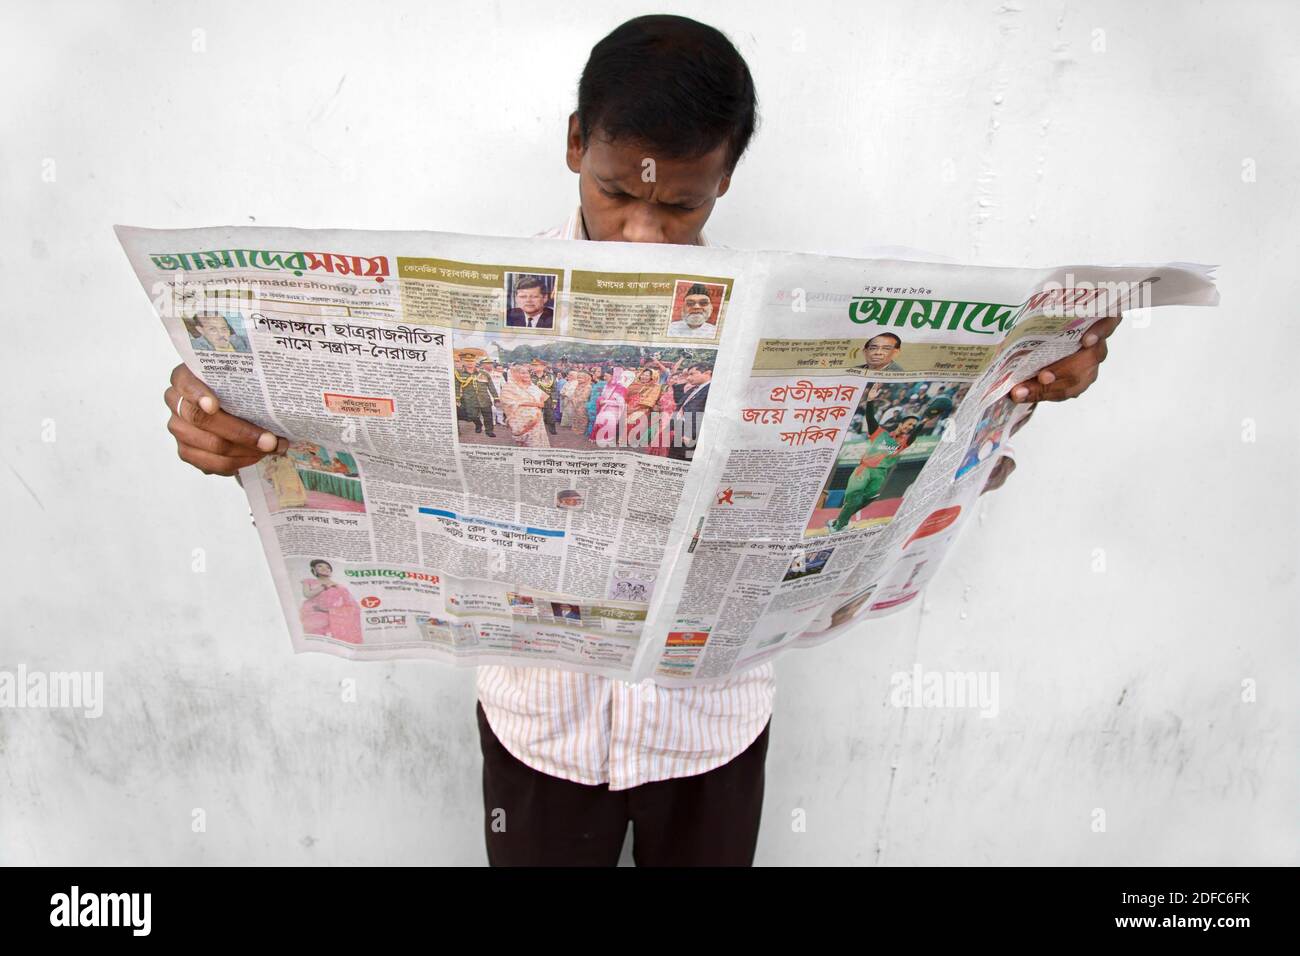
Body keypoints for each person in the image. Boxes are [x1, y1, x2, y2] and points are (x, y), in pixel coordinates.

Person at [160, 14, 1120, 867]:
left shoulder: (771, 329)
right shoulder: (456, 311)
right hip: (538, 728)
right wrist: (229, 422)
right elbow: (335, 436)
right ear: (576, 144)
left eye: (681, 206)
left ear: (726, 180)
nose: (645, 237)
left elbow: (914, 484)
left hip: (712, 730)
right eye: (620, 192)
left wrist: (1021, 390)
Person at [827, 383, 918, 532]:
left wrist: (924, 423)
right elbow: (869, 417)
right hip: (865, 470)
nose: (909, 427)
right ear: (901, 423)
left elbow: (913, 436)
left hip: (880, 474)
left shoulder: (902, 443)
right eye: (908, 424)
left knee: (868, 499)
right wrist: (870, 401)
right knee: (854, 496)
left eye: (912, 427)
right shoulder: (880, 433)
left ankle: (839, 522)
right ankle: (838, 526)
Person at [299, 559, 363, 644]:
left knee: (335, 641)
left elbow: (353, 607)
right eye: (320, 566)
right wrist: (324, 587)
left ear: (330, 571)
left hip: (334, 616)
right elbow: (307, 594)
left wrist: (330, 611)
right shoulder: (309, 581)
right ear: (314, 570)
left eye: (327, 567)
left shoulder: (340, 587)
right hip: (313, 615)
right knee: (316, 640)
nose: (324, 568)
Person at [667, 362, 712, 461]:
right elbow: (680, 404)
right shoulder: (695, 388)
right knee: (673, 460)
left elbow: (709, 417)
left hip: (690, 437)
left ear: (707, 373)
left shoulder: (712, 390)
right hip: (680, 431)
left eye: (692, 374)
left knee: (683, 460)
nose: (688, 378)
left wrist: (693, 436)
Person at [499, 364, 550, 447]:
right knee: (525, 444)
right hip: (520, 421)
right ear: (514, 374)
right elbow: (508, 402)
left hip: (536, 419)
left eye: (527, 373)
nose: (526, 375)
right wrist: (533, 404)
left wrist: (536, 404)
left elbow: (542, 401)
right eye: (522, 373)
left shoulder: (532, 386)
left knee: (536, 442)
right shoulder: (509, 388)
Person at [460, 361, 498, 436]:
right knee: (472, 416)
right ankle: (478, 424)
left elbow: (491, 386)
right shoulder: (461, 374)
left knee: (488, 416)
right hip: (470, 400)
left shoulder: (484, 374)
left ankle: (489, 431)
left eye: (474, 364)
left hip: (484, 399)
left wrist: (496, 397)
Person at [185, 312, 250, 352]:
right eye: (213, 329)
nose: (221, 334)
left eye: (224, 329)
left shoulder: (245, 342)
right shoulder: (194, 346)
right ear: (200, 330)